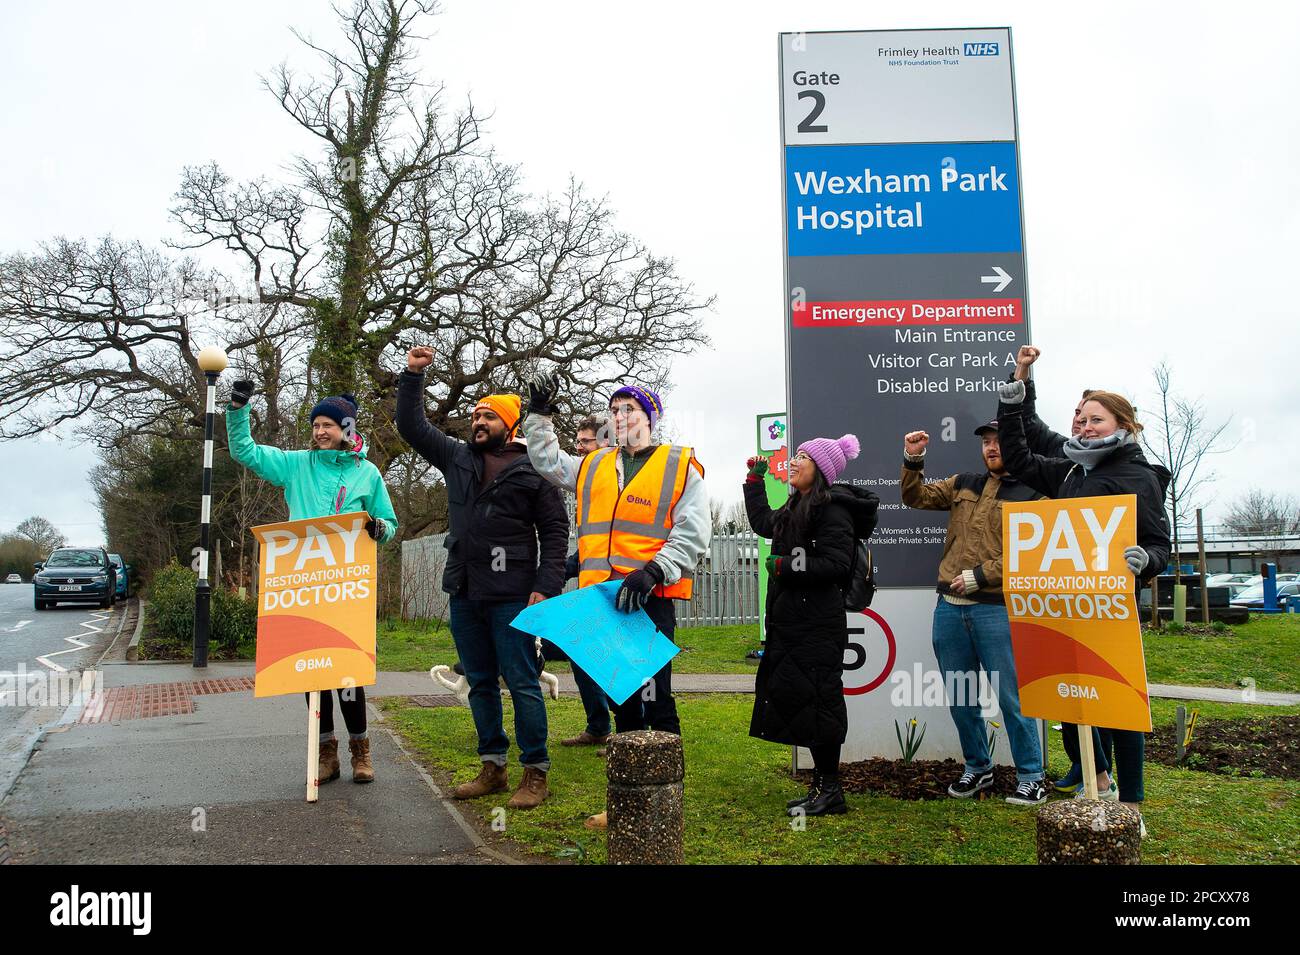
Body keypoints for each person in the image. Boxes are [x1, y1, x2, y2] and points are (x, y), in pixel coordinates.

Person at [523, 375, 711, 828]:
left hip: (649, 597)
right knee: (622, 699)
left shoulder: (679, 464)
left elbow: (693, 529)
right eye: (616, 410)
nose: (621, 417)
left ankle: (666, 800)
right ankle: (627, 801)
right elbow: (547, 460)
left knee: (657, 698)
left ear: (650, 417)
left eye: (631, 409)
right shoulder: (593, 465)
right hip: (603, 600)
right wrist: (539, 416)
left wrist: (655, 570)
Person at [396, 347, 569, 810]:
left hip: (514, 595)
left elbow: (555, 532)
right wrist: (414, 376)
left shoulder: (535, 470)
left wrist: (546, 587)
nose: (477, 421)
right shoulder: (457, 458)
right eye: (474, 415)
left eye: (488, 415)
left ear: (510, 425)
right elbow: (412, 427)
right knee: (479, 681)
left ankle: (536, 773)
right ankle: (492, 766)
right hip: (465, 591)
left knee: (523, 682)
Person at [997, 378, 1171, 836]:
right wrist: (1016, 397)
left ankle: (1131, 807)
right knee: (1067, 698)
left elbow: (1158, 543)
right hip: (1061, 608)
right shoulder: (1070, 469)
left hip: (1110, 611)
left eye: (1096, 419)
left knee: (1118, 706)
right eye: (1079, 416)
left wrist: (1146, 560)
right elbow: (1020, 455)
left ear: (1124, 425)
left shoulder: (1138, 476)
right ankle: (1097, 781)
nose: (1084, 425)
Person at [226, 381, 399, 784]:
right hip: (302, 584)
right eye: (316, 424)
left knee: (348, 672)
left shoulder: (368, 474)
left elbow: (388, 522)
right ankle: (325, 753)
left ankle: (361, 750)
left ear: (347, 429)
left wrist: (378, 529)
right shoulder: (296, 464)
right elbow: (245, 452)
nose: (320, 431)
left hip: (346, 588)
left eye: (329, 425)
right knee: (311, 671)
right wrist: (238, 410)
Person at [900, 422, 1048, 805]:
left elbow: (1032, 553)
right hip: (949, 610)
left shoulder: (1037, 493)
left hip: (998, 610)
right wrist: (913, 459)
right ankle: (978, 767)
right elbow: (914, 497)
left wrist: (980, 576)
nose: (991, 447)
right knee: (961, 697)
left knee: (1012, 698)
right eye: (986, 442)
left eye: (999, 441)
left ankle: (1031, 774)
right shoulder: (964, 483)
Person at [744, 436, 878, 817]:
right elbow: (763, 523)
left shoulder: (832, 510)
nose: (794, 461)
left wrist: (787, 567)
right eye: (796, 454)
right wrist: (755, 482)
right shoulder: (796, 505)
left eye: (803, 457)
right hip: (793, 623)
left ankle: (830, 789)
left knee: (822, 702)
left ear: (820, 468)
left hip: (818, 623)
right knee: (804, 700)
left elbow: (836, 565)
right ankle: (821, 786)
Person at [542, 415, 614, 748]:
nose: (578, 447)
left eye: (585, 442)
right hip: (592, 583)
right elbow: (591, 544)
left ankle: (630, 732)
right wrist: (561, 570)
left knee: (614, 659)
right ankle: (599, 726)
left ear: (606, 443)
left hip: (619, 585)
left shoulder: (617, 480)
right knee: (580, 649)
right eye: (578, 441)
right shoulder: (588, 483)